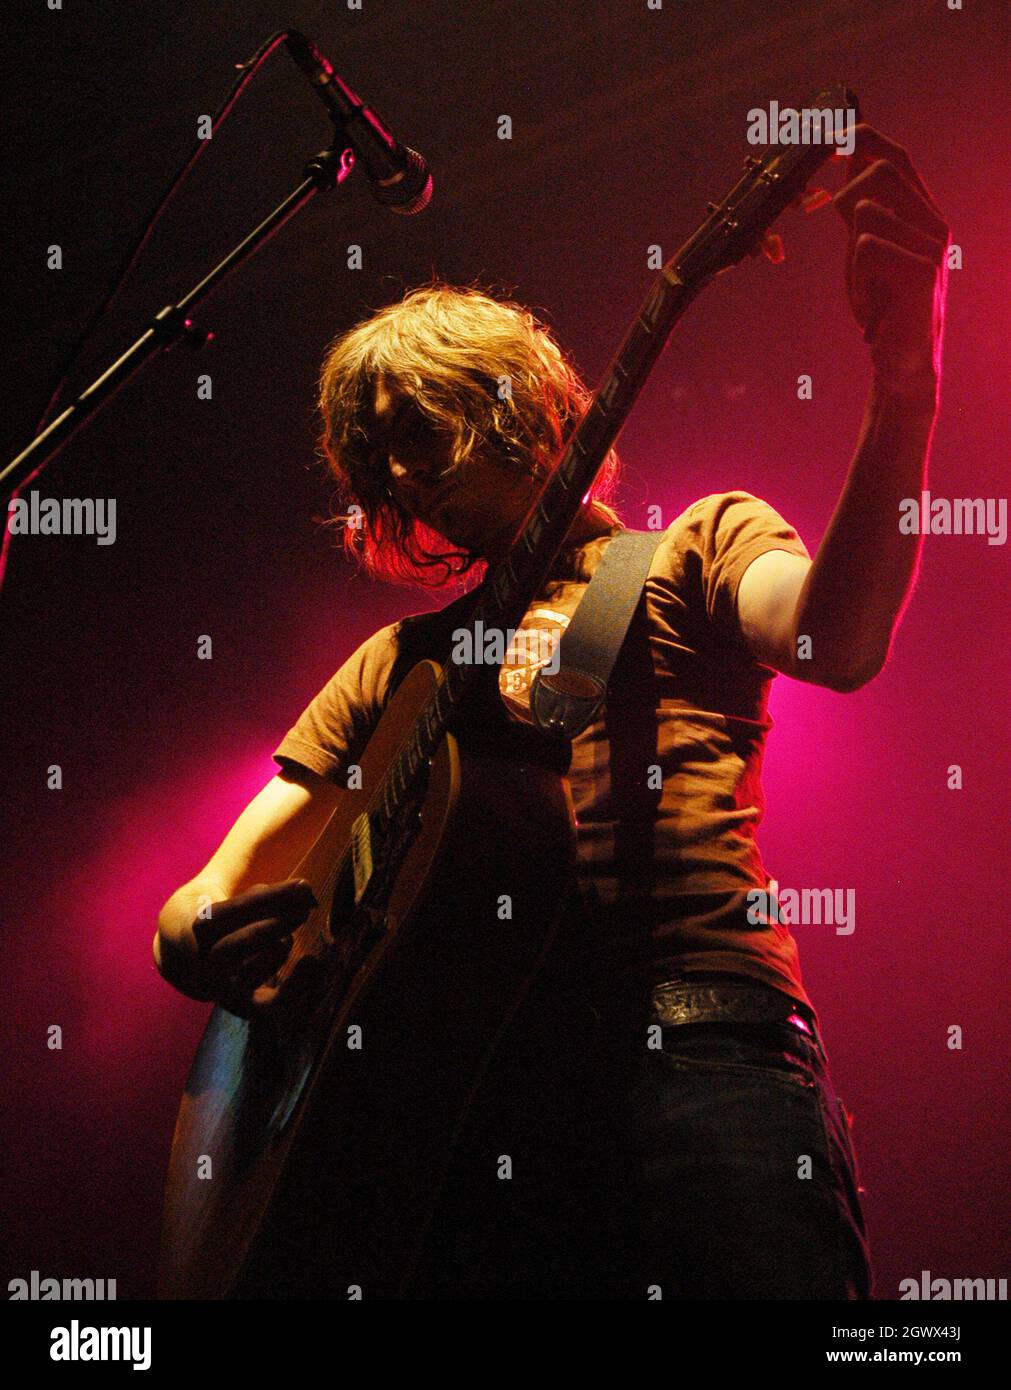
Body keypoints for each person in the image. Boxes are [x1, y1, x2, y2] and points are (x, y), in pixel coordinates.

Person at [153, 124, 948, 1299]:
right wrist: (191, 936)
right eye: (379, 462)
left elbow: (841, 640)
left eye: (421, 434)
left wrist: (905, 385)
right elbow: (213, 886)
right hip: (476, 1098)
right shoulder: (395, 663)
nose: (405, 480)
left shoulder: (695, 547)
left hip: (700, 1043)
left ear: (514, 404)